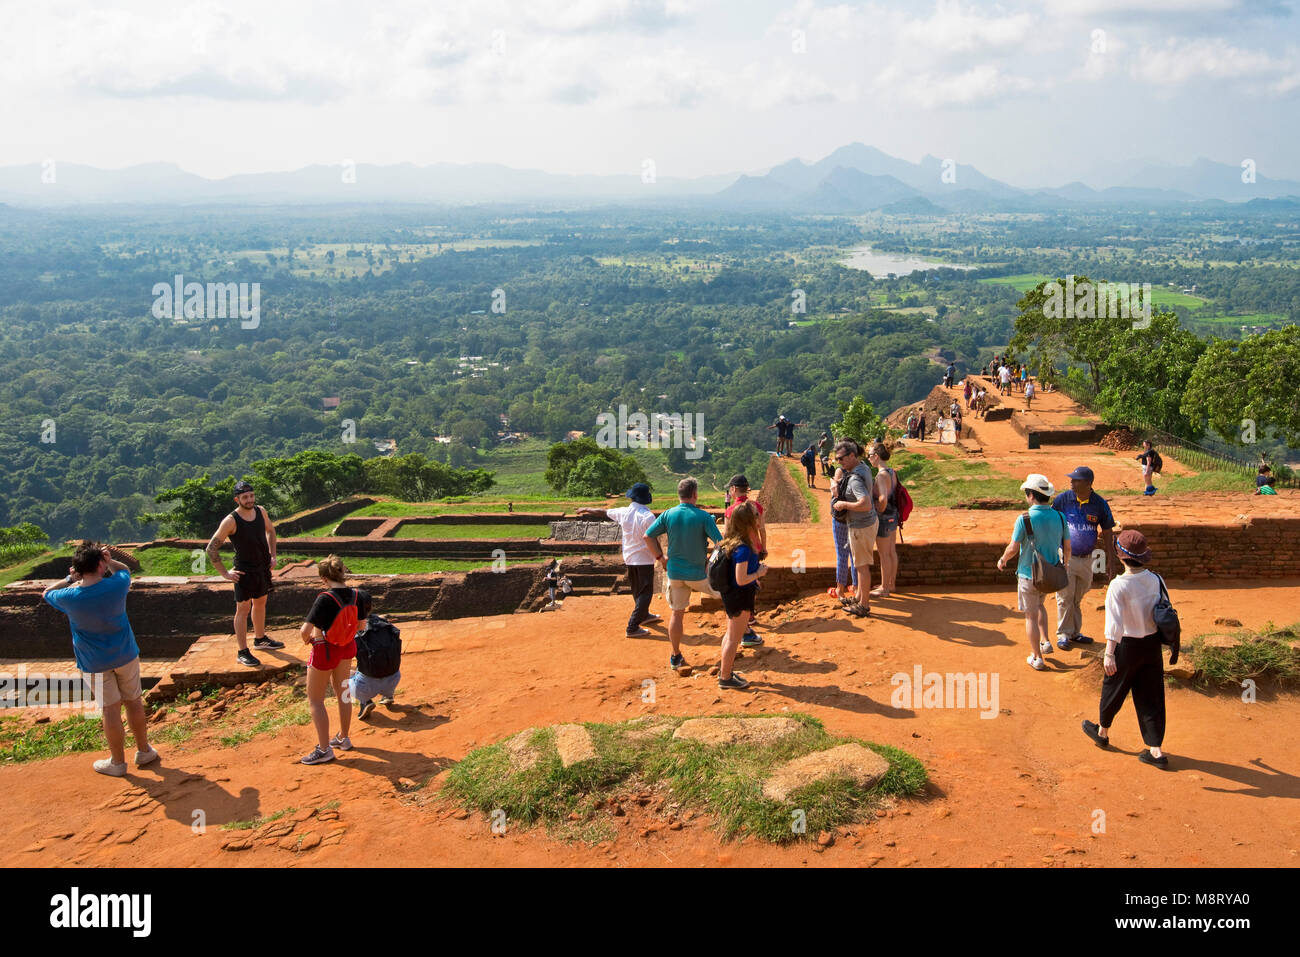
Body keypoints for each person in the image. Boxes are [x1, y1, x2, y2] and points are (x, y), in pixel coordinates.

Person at [43, 542, 158, 776]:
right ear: (99, 565)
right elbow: (125, 569)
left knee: (110, 710)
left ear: (78, 568)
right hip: (125, 654)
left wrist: (69, 579)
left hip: (93, 661)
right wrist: (110, 561)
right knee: (134, 702)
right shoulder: (116, 585)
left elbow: (45, 593)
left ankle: (117, 763)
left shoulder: (69, 596)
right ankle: (144, 751)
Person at [1081, 530, 1170, 768]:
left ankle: (1102, 733)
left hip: (1126, 646)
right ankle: (1156, 751)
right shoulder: (1156, 579)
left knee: (1114, 688)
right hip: (1151, 646)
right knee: (1151, 697)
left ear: (1121, 557)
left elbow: (1114, 625)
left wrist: (1109, 654)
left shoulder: (1118, 586)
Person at [643, 478, 724, 670]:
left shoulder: (668, 514)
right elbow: (721, 544)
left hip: (675, 573)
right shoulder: (703, 517)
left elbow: (647, 536)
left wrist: (660, 558)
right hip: (699, 574)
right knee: (730, 597)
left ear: (679, 495)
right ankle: (744, 632)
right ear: (695, 494)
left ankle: (675, 655)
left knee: (677, 615)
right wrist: (710, 564)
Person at [997, 474, 1071, 671]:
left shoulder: (1025, 519)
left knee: (1030, 615)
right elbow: (1067, 547)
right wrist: (1066, 565)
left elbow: (1013, 547)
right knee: (1040, 606)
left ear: (1031, 495)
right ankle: (1045, 641)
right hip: (1048, 574)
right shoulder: (1060, 517)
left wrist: (1003, 559)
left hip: (1028, 573)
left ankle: (1037, 657)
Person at [206, 480, 284, 667]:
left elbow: (271, 531)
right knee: (242, 609)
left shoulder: (260, 511)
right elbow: (211, 549)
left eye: (251, 496)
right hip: (244, 571)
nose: (249, 500)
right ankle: (242, 651)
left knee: (261, 603)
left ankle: (260, 639)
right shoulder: (231, 520)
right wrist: (225, 573)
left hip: (262, 568)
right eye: (245, 497)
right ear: (237, 499)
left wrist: (272, 555)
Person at [578, 483, 662, 638]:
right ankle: (632, 626)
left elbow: (603, 512)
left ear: (632, 497)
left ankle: (643, 615)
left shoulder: (624, 512)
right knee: (646, 592)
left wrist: (587, 509)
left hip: (629, 556)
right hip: (644, 558)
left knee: (637, 589)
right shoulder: (647, 516)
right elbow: (652, 538)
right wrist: (661, 557)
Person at [299, 555, 360, 765]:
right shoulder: (356, 595)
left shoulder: (324, 598)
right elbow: (361, 626)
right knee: (343, 692)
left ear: (324, 578)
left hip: (325, 651)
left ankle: (324, 749)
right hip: (347, 648)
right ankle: (344, 738)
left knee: (316, 700)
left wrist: (312, 639)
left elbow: (304, 631)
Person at [1052, 466, 1116, 650]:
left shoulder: (1099, 504)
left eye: (1076, 480)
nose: (1071, 482)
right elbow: (1051, 521)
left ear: (1088, 483)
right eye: (1071, 479)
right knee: (1065, 596)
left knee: (1077, 597)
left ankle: (1074, 633)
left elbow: (1107, 531)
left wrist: (1111, 562)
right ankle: (1063, 633)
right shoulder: (1063, 500)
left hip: (1087, 559)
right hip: (1066, 558)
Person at [714, 502, 768, 691]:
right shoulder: (744, 548)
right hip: (740, 596)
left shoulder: (731, 542)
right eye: (755, 516)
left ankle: (724, 671)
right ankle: (725, 677)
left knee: (730, 635)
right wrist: (758, 574)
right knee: (733, 639)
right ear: (748, 522)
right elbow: (741, 578)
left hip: (731, 595)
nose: (758, 519)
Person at [830, 440, 877, 617]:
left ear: (852, 455)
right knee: (860, 564)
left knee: (861, 567)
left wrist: (843, 503)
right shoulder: (863, 467)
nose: (839, 462)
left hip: (860, 525)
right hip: (868, 522)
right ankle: (858, 596)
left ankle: (864, 605)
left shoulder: (854, 479)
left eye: (841, 458)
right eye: (837, 459)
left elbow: (865, 503)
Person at [722, 474, 765, 645]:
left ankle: (744, 621)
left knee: (740, 583)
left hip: (739, 551)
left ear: (733, 489)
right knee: (752, 581)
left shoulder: (731, 510)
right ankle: (749, 615)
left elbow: (726, 534)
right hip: (755, 548)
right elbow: (762, 529)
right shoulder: (756, 506)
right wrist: (764, 546)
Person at [349, 590, 403, 720]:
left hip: (367, 685)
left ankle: (365, 702)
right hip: (393, 678)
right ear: (371, 606)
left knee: (343, 675)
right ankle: (388, 695)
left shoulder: (353, 629)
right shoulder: (386, 624)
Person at [867, 443, 900, 598]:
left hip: (884, 517)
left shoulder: (880, 475)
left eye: (869, 455)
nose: (868, 458)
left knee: (883, 554)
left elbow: (883, 498)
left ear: (876, 456)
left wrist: (877, 510)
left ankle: (884, 588)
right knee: (891, 552)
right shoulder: (892, 471)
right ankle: (891, 583)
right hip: (894, 514)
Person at [828, 464, 858, 606]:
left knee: (842, 554)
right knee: (855, 554)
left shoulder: (841, 470)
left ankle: (840, 589)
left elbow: (836, 493)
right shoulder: (862, 468)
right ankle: (856, 587)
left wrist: (833, 481)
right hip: (857, 517)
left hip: (842, 517)